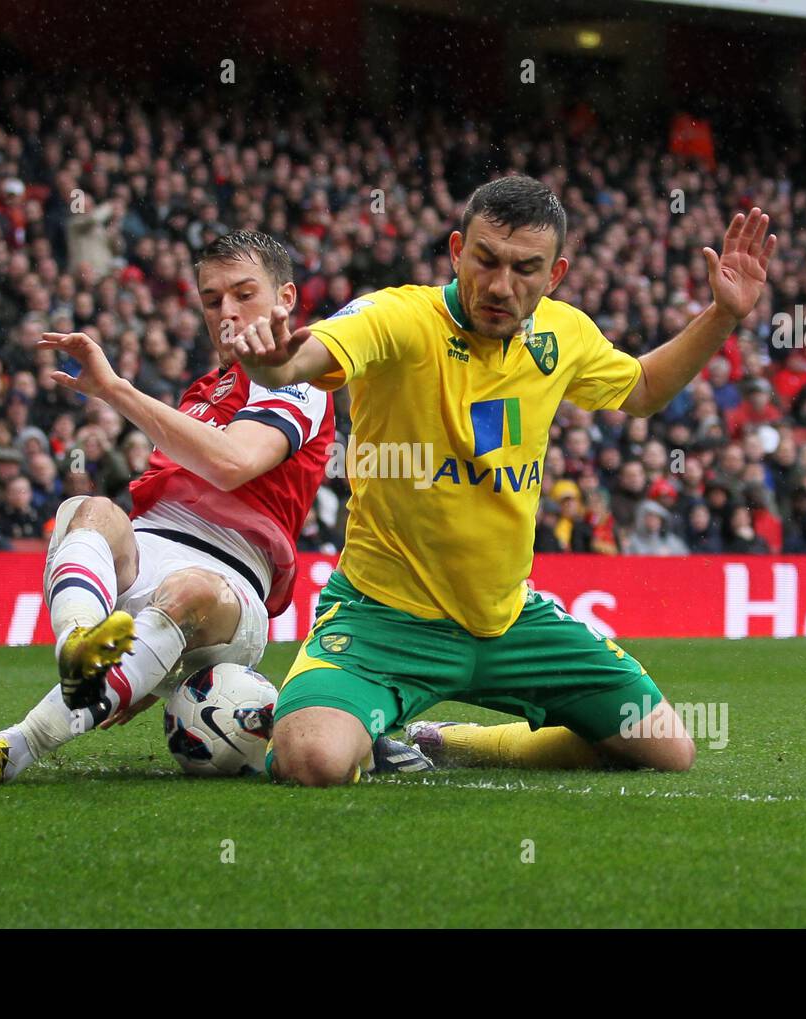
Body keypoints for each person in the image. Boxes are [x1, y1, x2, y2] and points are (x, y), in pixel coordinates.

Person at [221, 176, 776, 784]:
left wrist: (723, 314)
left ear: (555, 275)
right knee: (313, 761)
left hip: (509, 619)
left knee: (667, 748)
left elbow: (642, 390)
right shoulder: (399, 317)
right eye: (485, 260)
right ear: (457, 250)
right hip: (383, 618)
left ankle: (455, 741)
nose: (499, 285)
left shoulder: (562, 335)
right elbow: (309, 354)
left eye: (525, 269)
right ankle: (326, 727)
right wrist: (274, 360)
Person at [0, 231, 428, 786]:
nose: (227, 313)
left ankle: (9, 750)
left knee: (189, 587)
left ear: (286, 299)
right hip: (141, 564)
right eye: (212, 300)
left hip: (226, 592)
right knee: (88, 509)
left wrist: (117, 391)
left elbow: (233, 463)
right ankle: (83, 651)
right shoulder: (202, 391)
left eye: (244, 294)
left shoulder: (299, 382)